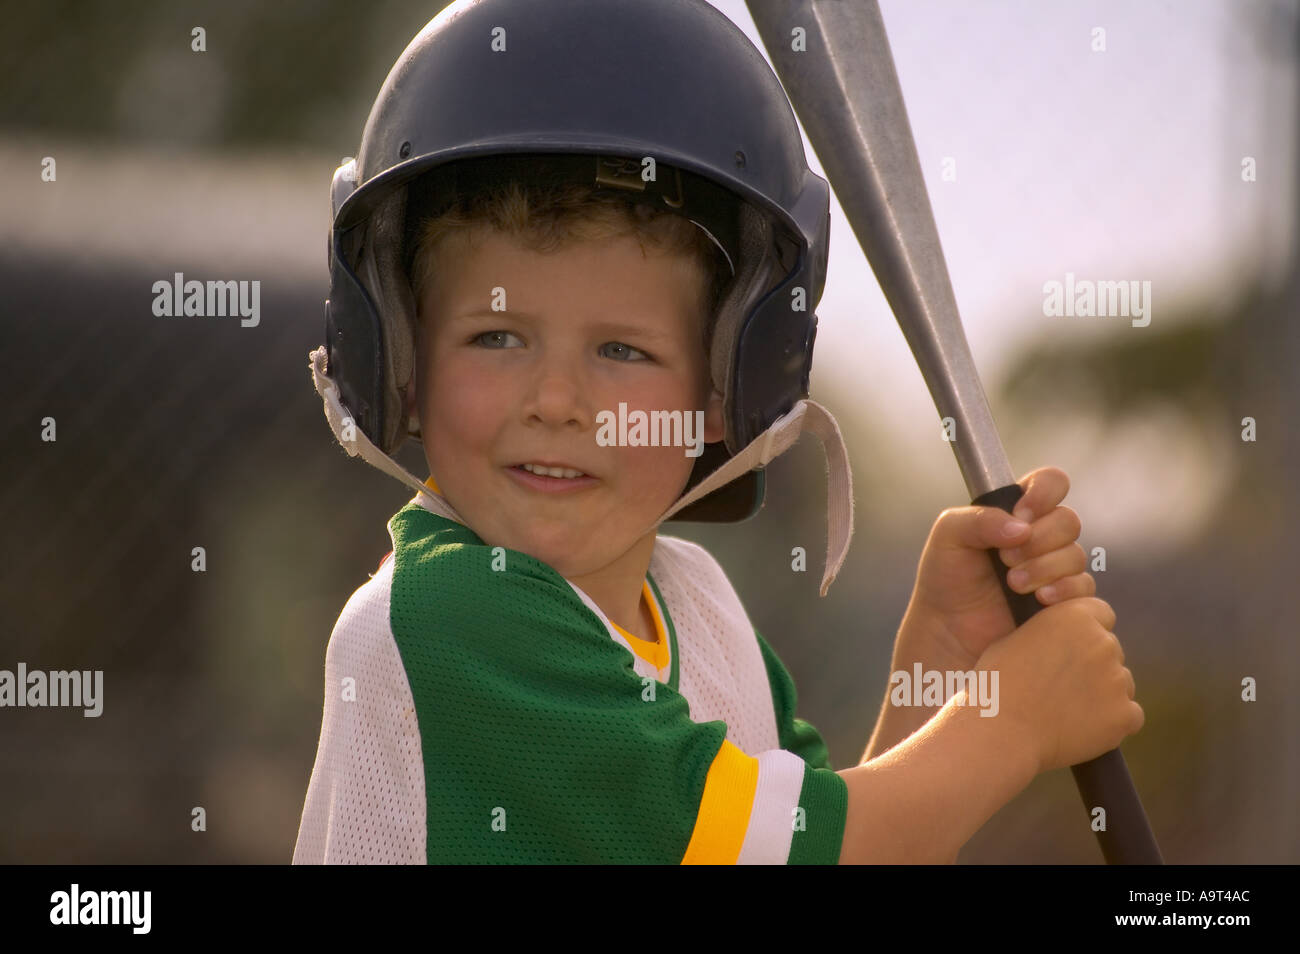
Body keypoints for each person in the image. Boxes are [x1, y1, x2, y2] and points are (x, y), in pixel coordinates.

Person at [293, 0, 1143, 864]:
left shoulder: (698, 606)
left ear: (724, 393)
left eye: (622, 350)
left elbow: (823, 838)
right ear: (401, 360)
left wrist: (945, 661)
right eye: (496, 337)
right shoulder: (453, 615)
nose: (556, 400)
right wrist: (1014, 723)